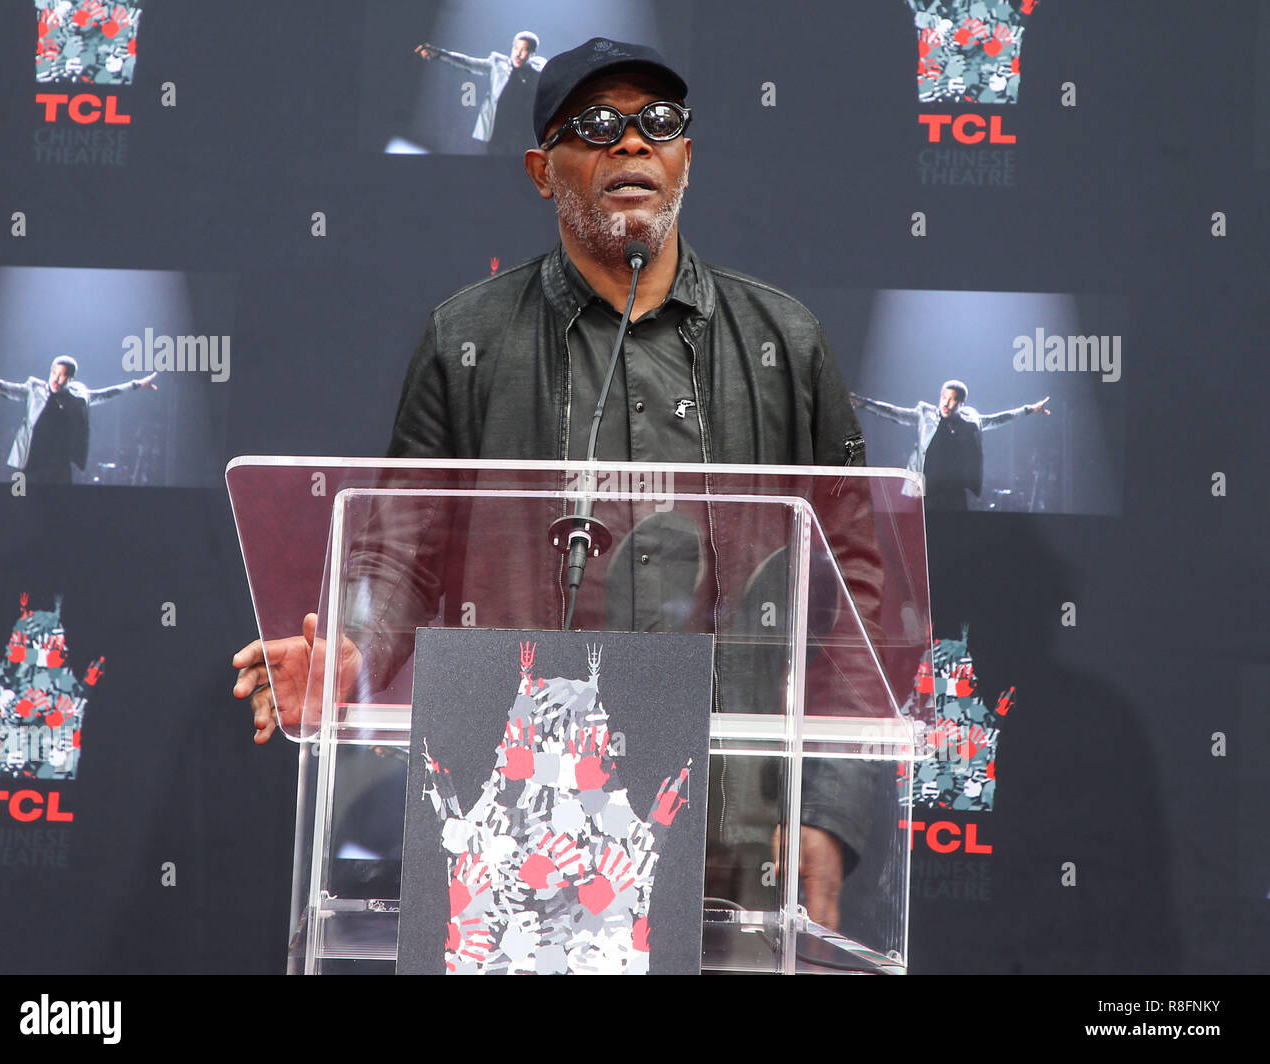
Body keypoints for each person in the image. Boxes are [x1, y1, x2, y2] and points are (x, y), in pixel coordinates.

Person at [235, 38, 882, 932]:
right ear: (544, 170)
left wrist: (833, 808)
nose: (631, 145)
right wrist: (353, 650)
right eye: (597, 126)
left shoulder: (787, 341)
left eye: (658, 124)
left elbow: (855, 592)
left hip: (735, 829)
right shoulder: (467, 341)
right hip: (517, 823)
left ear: (685, 157)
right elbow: (400, 553)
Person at [851, 380, 1050, 510]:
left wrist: (1030, 409)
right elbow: (895, 412)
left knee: (954, 532)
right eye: (943, 398)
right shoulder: (925, 416)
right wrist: (864, 403)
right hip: (924, 490)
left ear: (962, 403)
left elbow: (999, 419)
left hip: (953, 491)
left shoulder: (971, 422)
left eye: (952, 400)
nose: (946, 403)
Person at [0, 357, 158, 484]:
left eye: (62, 375)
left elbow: (107, 393)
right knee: (18, 503)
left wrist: (137, 385)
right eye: (54, 373)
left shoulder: (79, 398)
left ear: (71, 378)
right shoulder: (35, 389)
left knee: (57, 508)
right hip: (26, 465)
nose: (56, 379)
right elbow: (5, 388)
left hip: (57, 467)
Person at [414, 32, 546, 153]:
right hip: (496, 131)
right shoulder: (498, 63)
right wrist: (441, 54)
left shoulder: (538, 72)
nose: (518, 54)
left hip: (521, 134)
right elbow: (469, 63)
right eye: (516, 48)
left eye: (524, 50)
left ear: (532, 53)